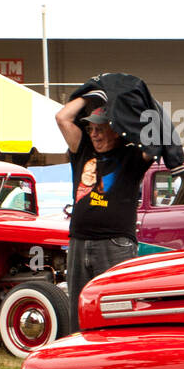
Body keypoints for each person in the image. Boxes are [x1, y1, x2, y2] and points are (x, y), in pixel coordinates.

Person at [55, 95, 161, 332]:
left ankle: (117, 359)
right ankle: (80, 360)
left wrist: (136, 110)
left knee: (117, 308)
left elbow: (156, 139)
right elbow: (62, 117)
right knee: (79, 309)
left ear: (116, 131)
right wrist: (88, 95)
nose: (94, 134)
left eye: (100, 129)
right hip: (79, 241)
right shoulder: (81, 150)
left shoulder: (132, 156)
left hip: (115, 244)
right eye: (91, 128)